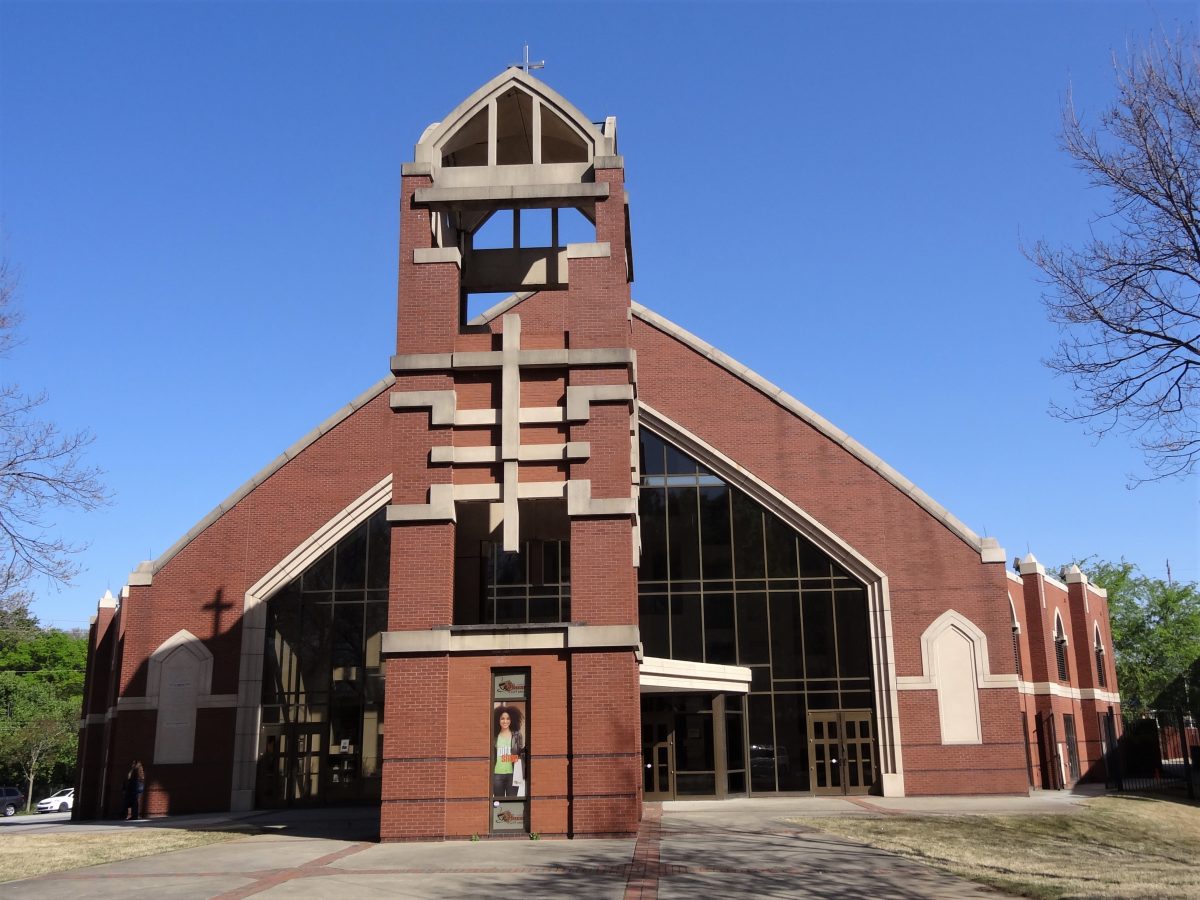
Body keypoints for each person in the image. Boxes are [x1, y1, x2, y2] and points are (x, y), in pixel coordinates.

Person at [492, 706, 524, 798]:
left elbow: (520, 754)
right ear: (498, 720)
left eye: (508, 719)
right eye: (502, 718)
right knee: (498, 800)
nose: (505, 721)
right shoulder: (494, 736)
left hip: (513, 774)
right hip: (497, 774)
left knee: (512, 799)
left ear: (512, 720)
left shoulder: (517, 735)